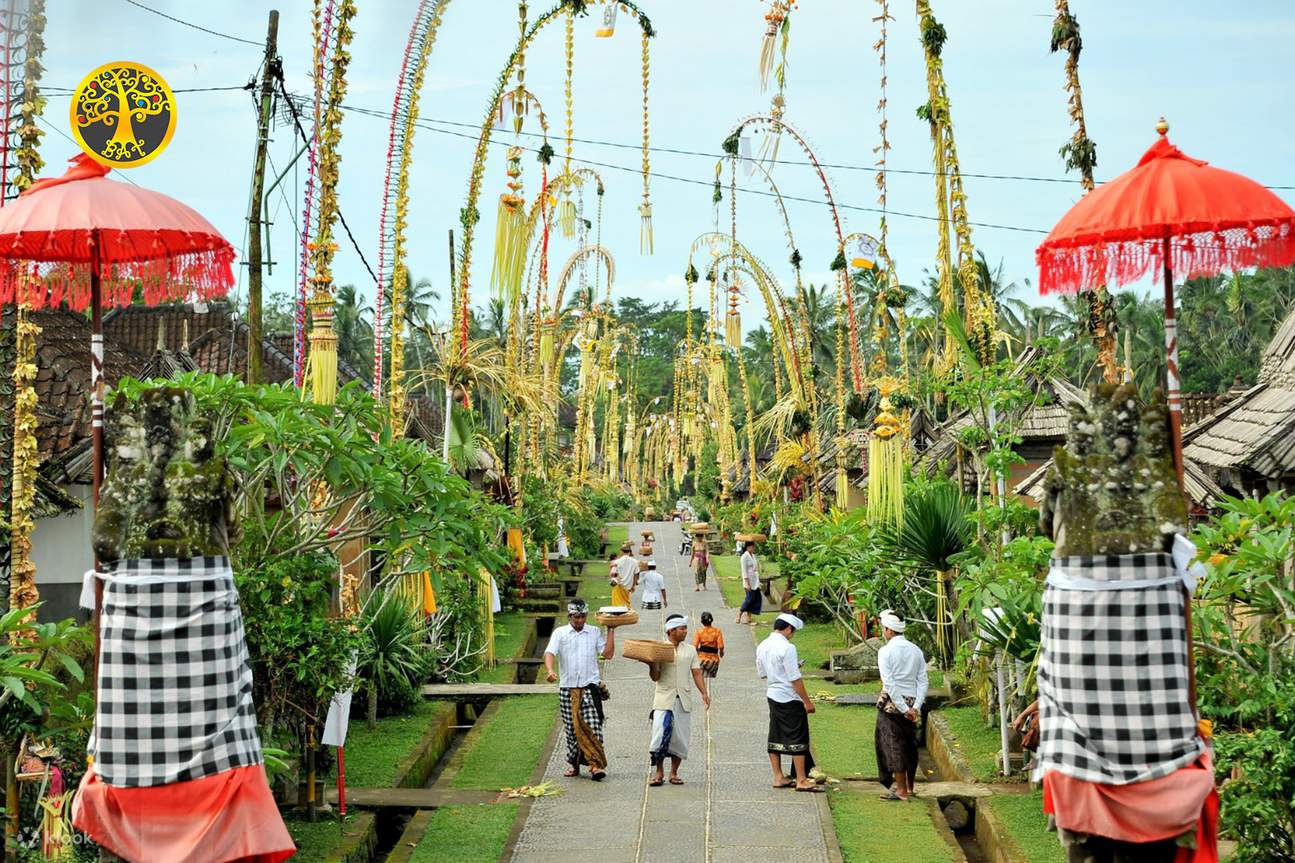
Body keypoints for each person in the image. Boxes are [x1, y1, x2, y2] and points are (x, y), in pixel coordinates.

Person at [544, 599, 616, 780]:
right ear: (570, 616)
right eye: (576, 617)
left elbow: (607, 654)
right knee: (571, 729)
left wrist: (611, 631)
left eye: (583, 616)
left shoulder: (593, 632)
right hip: (568, 689)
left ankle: (595, 765)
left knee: (593, 727)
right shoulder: (560, 633)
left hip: (590, 688)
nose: (580, 620)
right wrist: (551, 670)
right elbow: (550, 652)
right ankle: (574, 765)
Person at [755, 613, 821, 792]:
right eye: (793, 632)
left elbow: (762, 673)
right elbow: (794, 678)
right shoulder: (788, 647)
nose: (793, 635)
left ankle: (778, 776)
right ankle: (801, 779)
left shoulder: (762, 645)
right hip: (789, 696)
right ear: (789, 629)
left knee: (775, 733)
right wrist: (807, 702)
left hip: (773, 694)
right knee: (798, 736)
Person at [647, 614, 709, 786]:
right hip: (664, 698)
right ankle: (658, 772)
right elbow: (655, 677)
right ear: (671, 630)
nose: (685, 631)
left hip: (683, 698)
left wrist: (704, 693)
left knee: (680, 736)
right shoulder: (660, 649)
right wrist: (651, 664)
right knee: (659, 734)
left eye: (685, 628)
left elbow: (697, 672)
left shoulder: (690, 650)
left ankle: (674, 772)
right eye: (682, 628)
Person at [875, 610, 928, 802]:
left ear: (889, 630)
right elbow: (923, 680)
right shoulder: (916, 650)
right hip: (913, 702)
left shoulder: (885, 651)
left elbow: (889, 684)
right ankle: (910, 787)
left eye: (884, 628)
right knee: (910, 745)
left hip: (892, 705)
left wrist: (904, 709)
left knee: (893, 745)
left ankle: (901, 790)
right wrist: (916, 707)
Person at [736, 541, 762, 624]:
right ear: (747, 547)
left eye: (754, 547)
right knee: (749, 599)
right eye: (751, 547)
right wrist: (747, 583)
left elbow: (755, 566)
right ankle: (739, 615)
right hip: (748, 581)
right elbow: (744, 571)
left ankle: (749, 617)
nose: (753, 548)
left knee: (754, 599)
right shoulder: (744, 557)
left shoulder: (753, 556)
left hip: (755, 580)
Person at [693, 611, 725, 678]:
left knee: (701, 677)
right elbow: (721, 646)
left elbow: (694, 646)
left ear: (702, 621)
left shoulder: (699, 632)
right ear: (712, 620)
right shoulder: (717, 631)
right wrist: (721, 653)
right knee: (710, 677)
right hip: (713, 661)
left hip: (702, 659)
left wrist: (698, 652)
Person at [610, 542, 639, 607]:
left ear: (621, 551)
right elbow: (636, 575)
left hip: (619, 586)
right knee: (627, 606)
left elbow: (612, 572)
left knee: (617, 607)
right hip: (628, 587)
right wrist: (633, 585)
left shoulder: (617, 561)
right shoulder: (635, 562)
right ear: (630, 551)